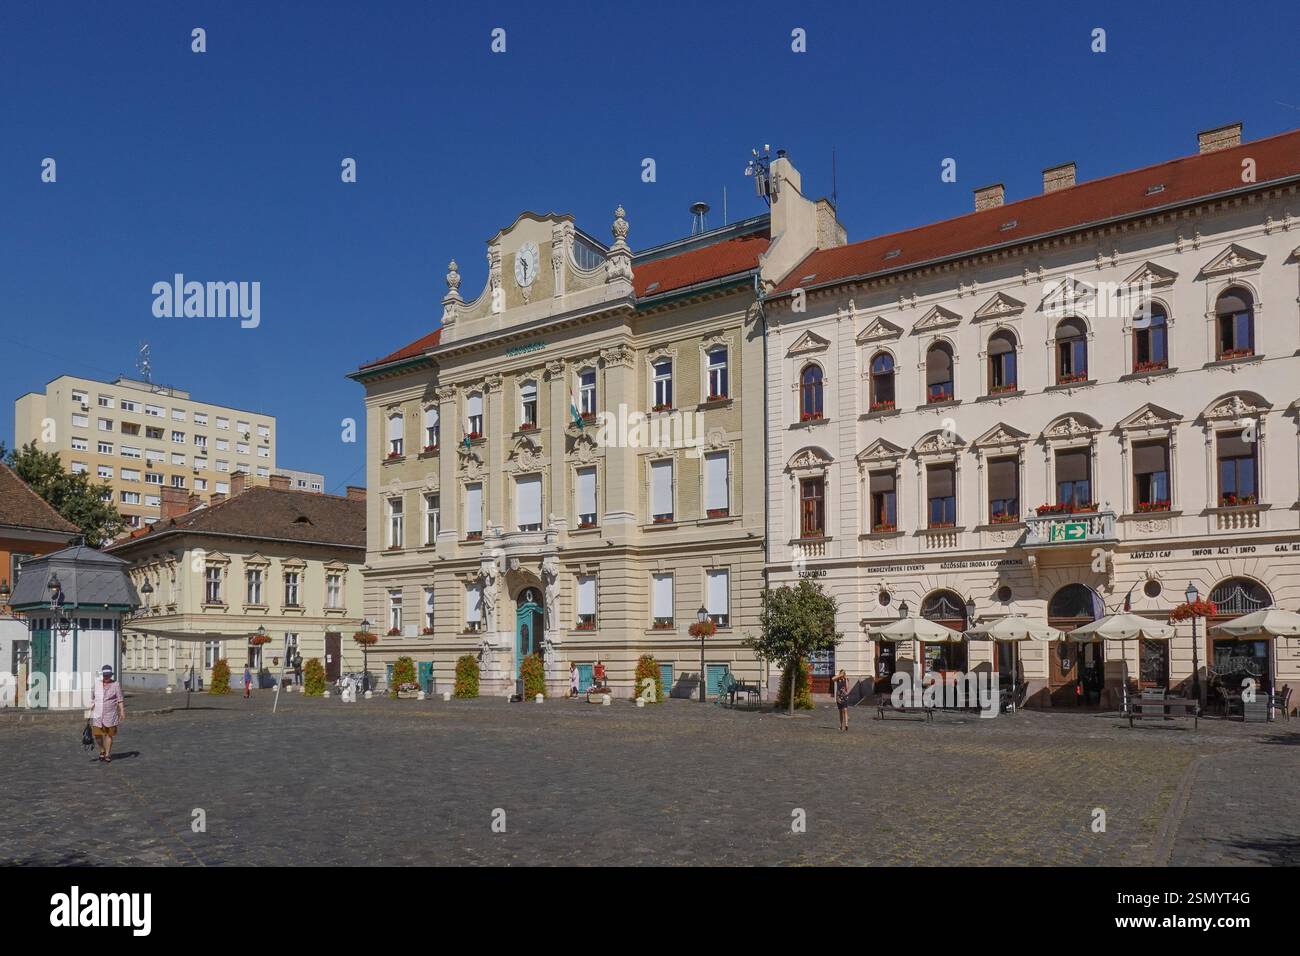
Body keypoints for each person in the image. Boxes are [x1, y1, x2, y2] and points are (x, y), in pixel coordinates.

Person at [88, 664, 125, 762]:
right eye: (105, 675)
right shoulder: (97, 685)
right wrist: (90, 707)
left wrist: (122, 711)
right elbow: (92, 698)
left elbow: (120, 699)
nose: (106, 677)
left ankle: (107, 754)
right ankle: (102, 750)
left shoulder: (116, 684)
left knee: (109, 734)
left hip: (110, 714)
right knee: (97, 735)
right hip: (97, 714)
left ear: (111, 675)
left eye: (108, 675)